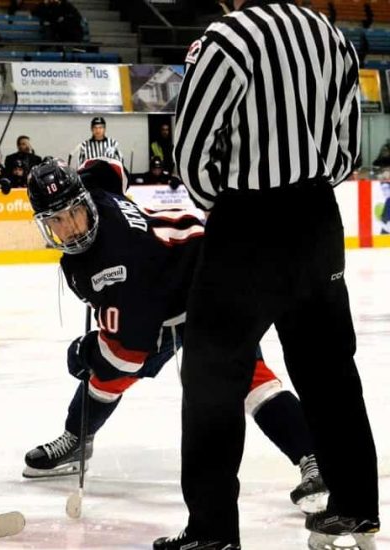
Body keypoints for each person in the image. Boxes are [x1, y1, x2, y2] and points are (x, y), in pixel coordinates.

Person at [163, 1, 379, 549]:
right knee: (330, 368)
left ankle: (212, 533)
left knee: (213, 375)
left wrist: (229, 203)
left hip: (248, 224)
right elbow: (349, 143)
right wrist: (307, 188)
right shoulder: (330, 34)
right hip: (317, 222)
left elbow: (190, 148)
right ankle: (355, 506)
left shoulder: (227, 36)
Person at [22, 158, 327, 515]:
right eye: (56, 220)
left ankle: (317, 459)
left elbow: (129, 353)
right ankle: (77, 438)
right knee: (108, 379)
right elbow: (110, 169)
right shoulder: (95, 190)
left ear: (85, 201)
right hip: (164, 293)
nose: (70, 228)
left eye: (74, 212)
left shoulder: (117, 262)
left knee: (245, 376)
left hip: (210, 281)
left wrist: (85, 353)